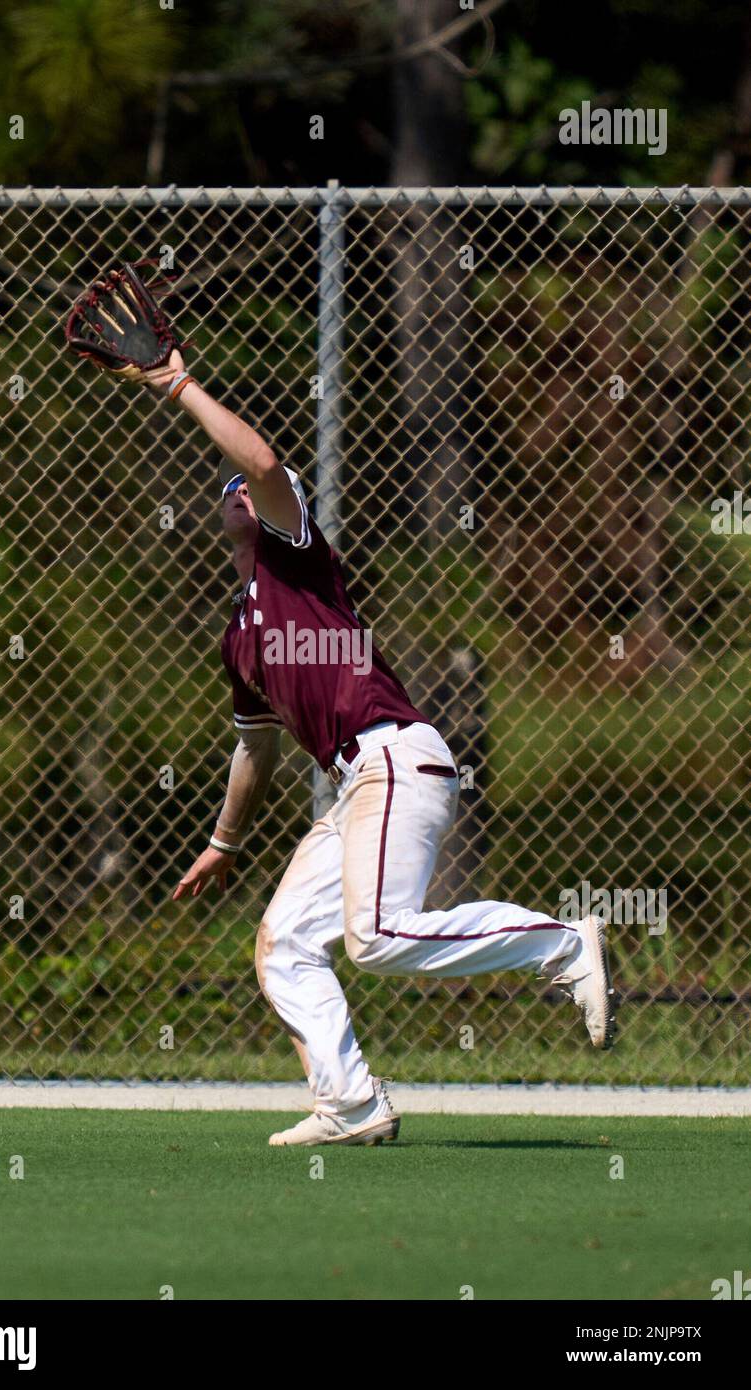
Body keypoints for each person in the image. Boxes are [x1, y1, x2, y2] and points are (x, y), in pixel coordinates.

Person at [139, 349, 617, 1146]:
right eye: (229, 490)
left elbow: (257, 458)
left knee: (377, 939)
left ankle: (562, 942)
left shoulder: (297, 561)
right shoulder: (240, 636)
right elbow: (253, 752)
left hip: (395, 757)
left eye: (253, 490)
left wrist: (178, 384)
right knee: (286, 943)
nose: (240, 489)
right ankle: (352, 1104)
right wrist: (223, 842)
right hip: (359, 786)